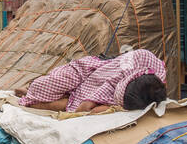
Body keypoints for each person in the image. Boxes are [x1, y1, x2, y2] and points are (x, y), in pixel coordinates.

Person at [15, 48, 168, 114]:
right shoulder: (126, 70)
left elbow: (88, 110)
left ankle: (31, 96)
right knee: (44, 86)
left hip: (105, 91)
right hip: (91, 70)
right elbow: (84, 107)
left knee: (65, 105)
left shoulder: (157, 82)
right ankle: (30, 90)